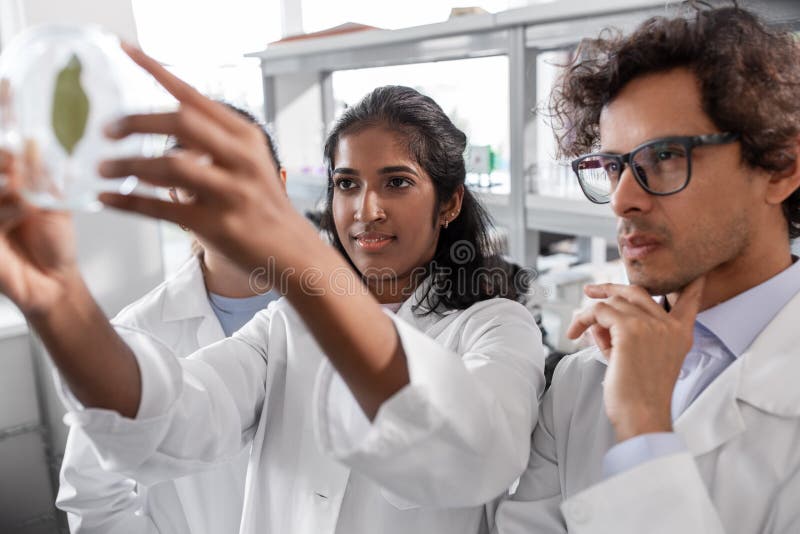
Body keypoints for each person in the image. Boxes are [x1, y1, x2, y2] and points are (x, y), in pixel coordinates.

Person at [0, 76, 544, 533]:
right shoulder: (285, 326)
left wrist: (300, 255)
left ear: (449, 202)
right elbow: (182, 416)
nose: (366, 209)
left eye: (397, 182)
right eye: (346, 184)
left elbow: (476, 459)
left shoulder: (498, 328)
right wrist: (61, 301)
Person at [494, 4, 800, 533]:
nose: (620, 200)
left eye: (664, 157)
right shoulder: (578, 381)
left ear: (779, 168)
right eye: (613, 166)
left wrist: (641, 425)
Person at [54, 104, 285, 534]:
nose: (219, 195)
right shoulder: (137, 333)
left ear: (280, 185)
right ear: (174, 200)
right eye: (194, 182)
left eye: (236, 172)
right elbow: (93, 496)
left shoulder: (340, 309)